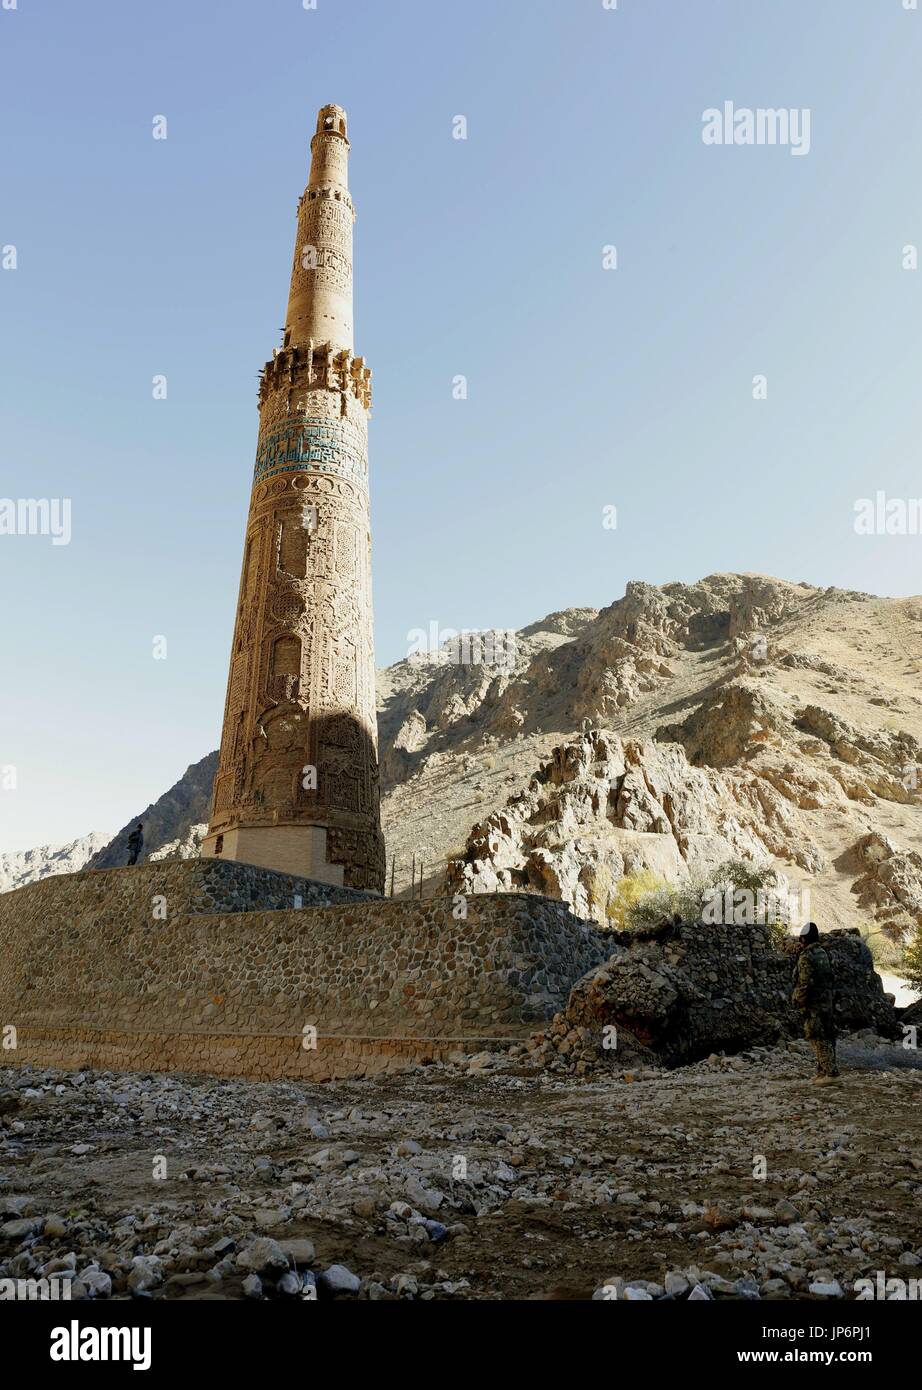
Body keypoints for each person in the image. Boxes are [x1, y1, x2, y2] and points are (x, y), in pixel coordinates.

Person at [791, 922, 840, 1084]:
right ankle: (822, 1072)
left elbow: (805, 983)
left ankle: (831, 1074)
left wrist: (798, 1000)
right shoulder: (822, 953)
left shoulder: (807, 956)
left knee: (817, 1037)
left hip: (814, 1004)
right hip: (827, 1001)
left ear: (804, 939)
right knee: (827, 1035)